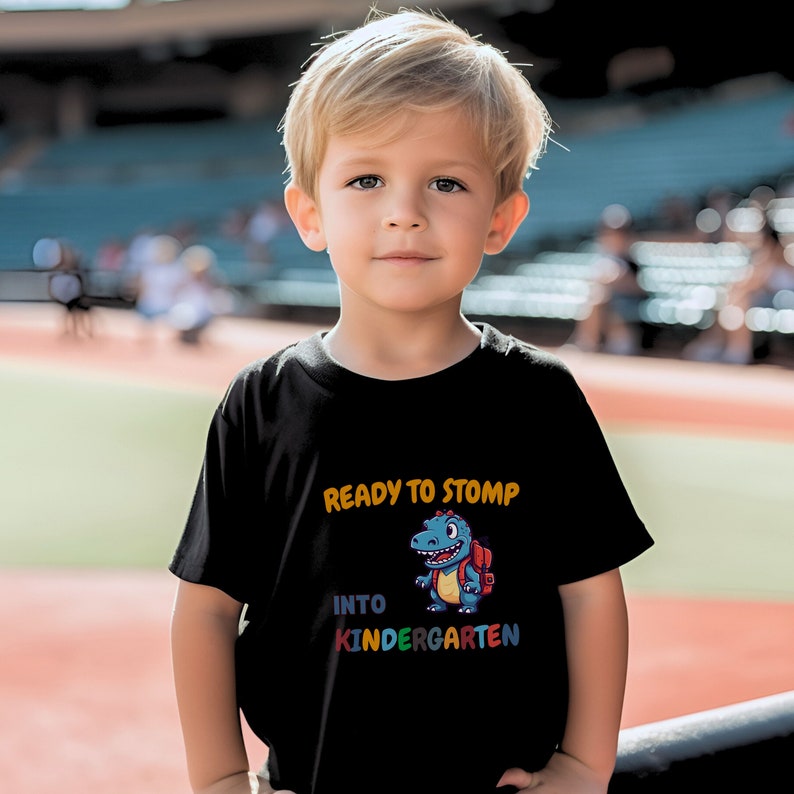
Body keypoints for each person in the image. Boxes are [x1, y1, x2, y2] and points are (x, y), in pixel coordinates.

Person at [169, 8, 654, 794]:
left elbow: (591, 595)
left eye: (446, 182)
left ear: (500, 219)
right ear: (310, 214)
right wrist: (220, 779)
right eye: (366, 179)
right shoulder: (261, 404)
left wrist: (585, 764)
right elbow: (207, 610)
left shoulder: (539, 398)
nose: (406, 210)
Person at [566, 205, 648, 355]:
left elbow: (640, 289)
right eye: (610, 232)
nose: (614, 237)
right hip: (608, 304)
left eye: (619, 233)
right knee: (596, 298)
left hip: (629, 304)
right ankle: (587, 341)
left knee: (598, 299)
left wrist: (619, 279)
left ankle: (587, 342)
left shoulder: (633, 260)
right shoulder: (603, 256)